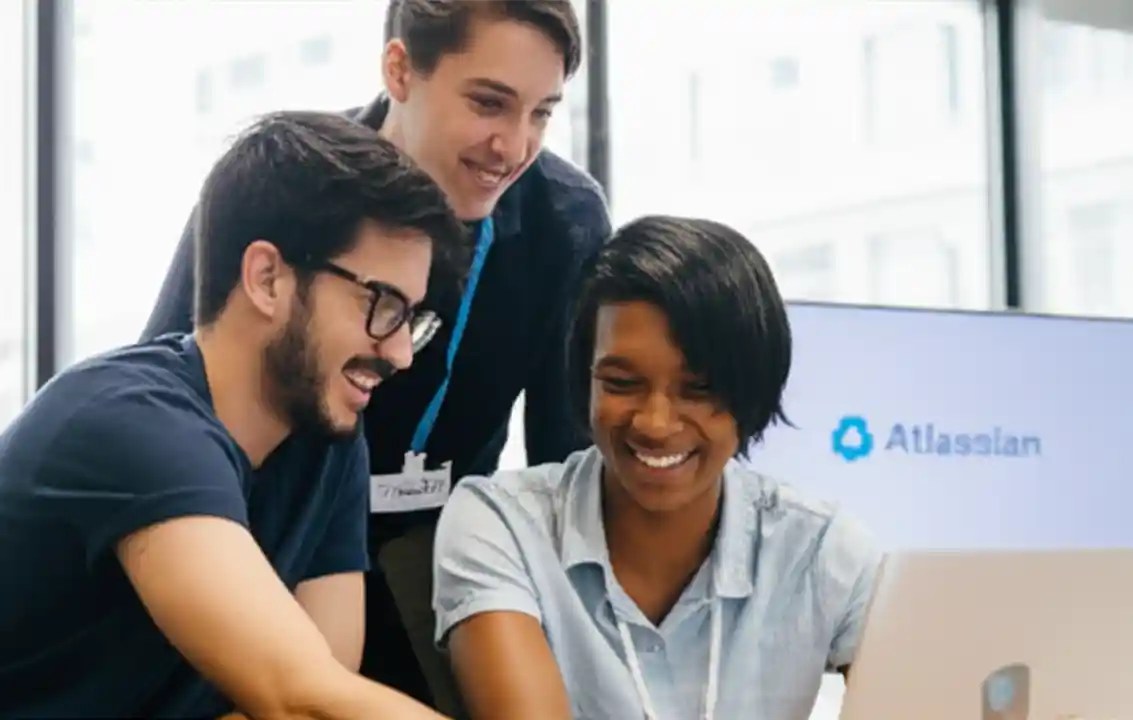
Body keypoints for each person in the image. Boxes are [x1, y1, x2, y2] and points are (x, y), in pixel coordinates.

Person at [140, 1, 611, 704]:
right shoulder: (288, 189)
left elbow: (565, 460)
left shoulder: (565, 221)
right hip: (267, 534)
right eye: (489, 103)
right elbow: (171, 401)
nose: (512, 147)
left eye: (542, 114)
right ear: (400, 69)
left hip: (442, 553)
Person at [0, 111, 464, 719]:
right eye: (381, 304)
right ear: (267, 278)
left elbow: (317, 688)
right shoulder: (129, 424)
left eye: (411, 319)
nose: (400, 352)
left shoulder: (329, 441)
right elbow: (304, 701)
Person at [432, 215, 884, 719]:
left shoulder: (822, 550)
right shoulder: (503, 526)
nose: (655, 423)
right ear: (585, 383)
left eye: (698, 390)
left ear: (754, 391)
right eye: (622, 384)